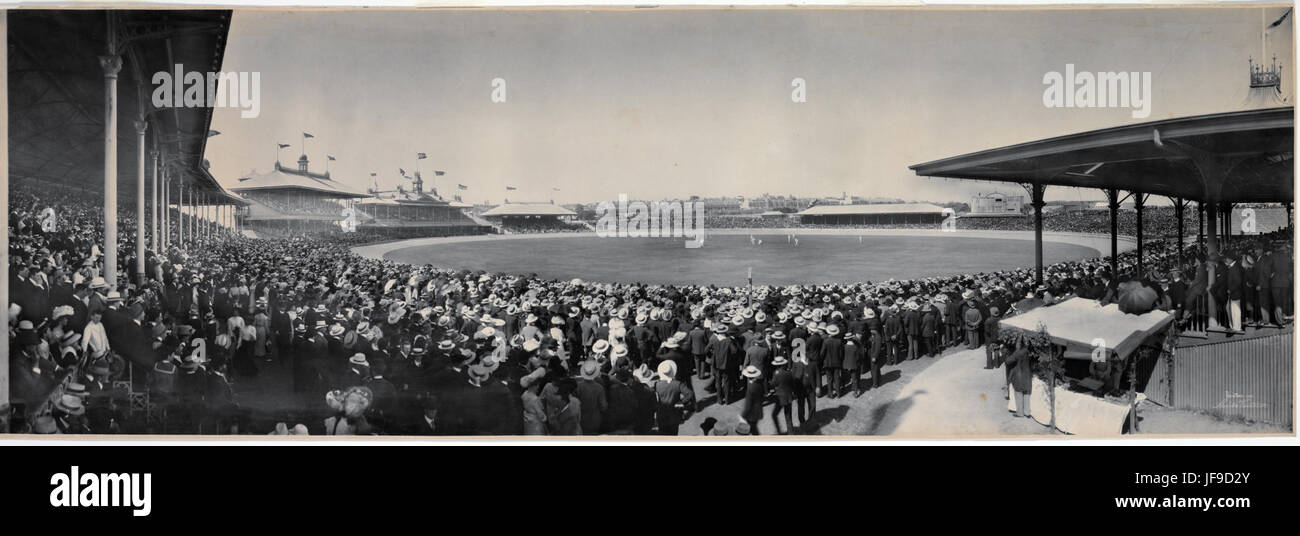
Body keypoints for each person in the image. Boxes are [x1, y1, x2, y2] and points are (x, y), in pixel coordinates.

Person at [652, 360, 694, 435]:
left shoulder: (656, 385)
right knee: (674, 434)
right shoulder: (677, 384)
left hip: (662, 415)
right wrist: (681, 402)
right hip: (674, 415)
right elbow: (690, 394)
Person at [1004, 342, 1033, 417]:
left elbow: (1007, 361)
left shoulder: (1018, 352)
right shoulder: (1028, 350)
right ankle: (1027, 412)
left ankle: (1020, 413)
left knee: (1018, 393)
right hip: (1027, 374)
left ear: (1019, 344)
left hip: (1019, 375)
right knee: (1026, 393)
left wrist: (1007, 355)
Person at [769, 355, 795, 434]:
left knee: (774, 415)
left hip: (780, 398)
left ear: (777, 365)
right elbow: (792, 384)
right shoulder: (789, 373)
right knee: (788, 417)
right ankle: (791, 433)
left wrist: (770, 382)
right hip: (788, 397)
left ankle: (778, 431)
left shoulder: (776, 373)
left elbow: (773, 384)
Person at [740, 365, 765, 435]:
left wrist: (743, 415)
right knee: (754, 430)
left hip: (751, 414)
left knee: (752, 431)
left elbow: (748, 405)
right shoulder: (759, 384)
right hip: (758, 411)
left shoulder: (750, 388)